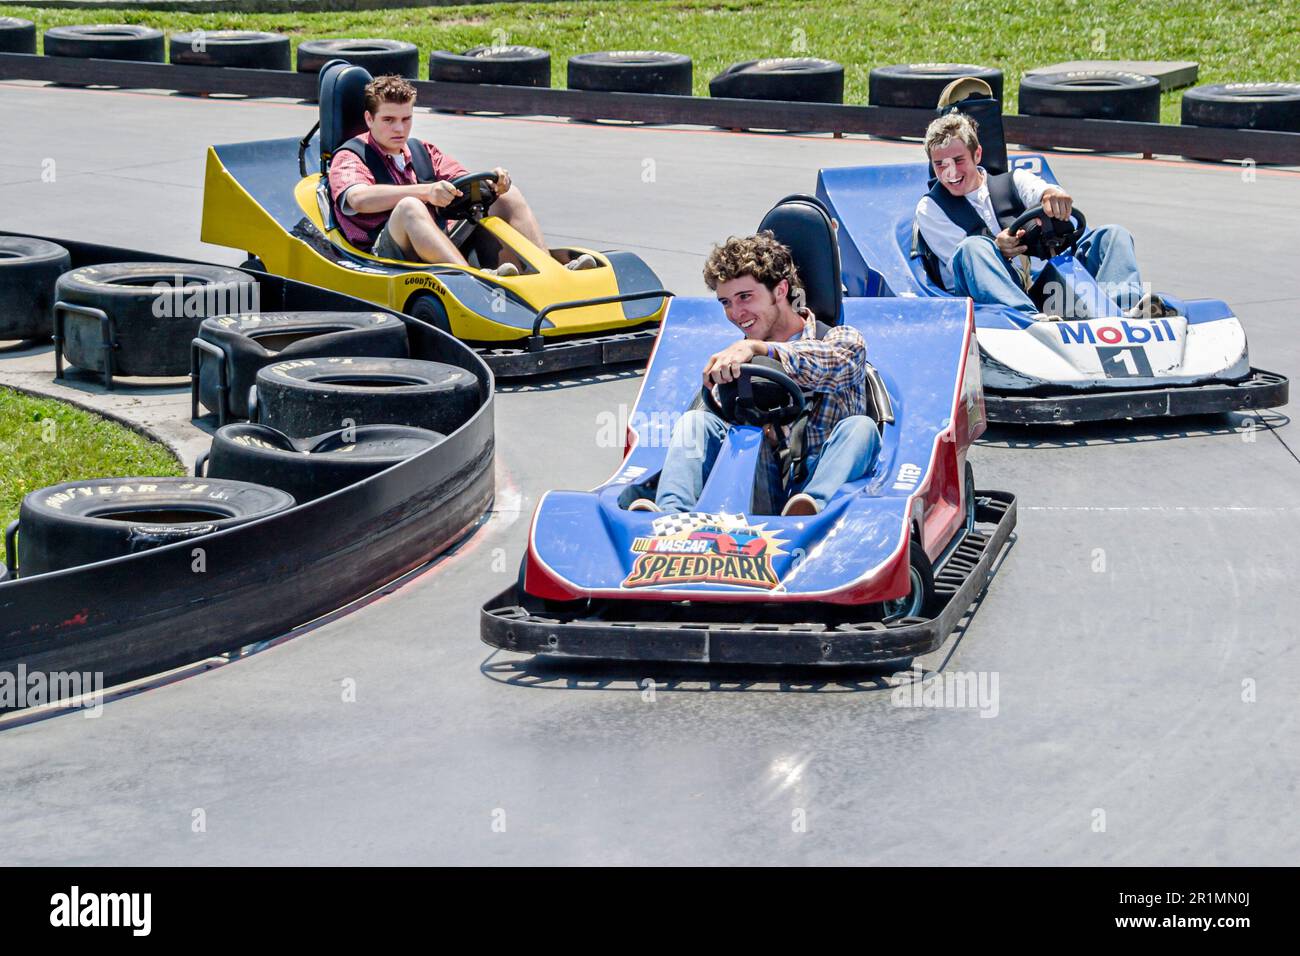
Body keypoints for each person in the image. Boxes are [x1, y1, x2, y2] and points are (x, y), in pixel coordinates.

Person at [630, 232, 880, 518]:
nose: (736, 313)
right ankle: (670, 517)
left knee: (861, 427)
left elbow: (841, 366)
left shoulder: (839, 338)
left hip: (819, 483)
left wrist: (765, 350)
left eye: (745, 297)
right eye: (726, 302)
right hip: (758, 486)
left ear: (781, 291)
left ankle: (808, 510)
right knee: (695, 422)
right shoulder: (736, 360)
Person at [326, 74, 596, 275]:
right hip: (381, 258)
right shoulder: (350, 156)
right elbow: (358, 198)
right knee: (410, 206)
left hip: (436, 241)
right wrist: (424, 192)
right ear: (369, 119)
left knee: (507, 196)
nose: (399, 129)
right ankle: (471, 280)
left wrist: (495, 182)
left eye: (406, 119)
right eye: (389, 120)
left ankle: (547, 271)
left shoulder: (423, 151)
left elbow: (464, 180)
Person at [914, 111, 1170, 320]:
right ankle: (1024, 321)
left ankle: (1123, 312)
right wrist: (998, 248)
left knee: (1113, 235)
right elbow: (964, 261)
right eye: (941, 165)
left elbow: (1043, 190)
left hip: (1036, 292)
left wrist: (1053, 197)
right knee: (973, 247)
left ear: (977, 154)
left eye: (958, 161)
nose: (951, 173)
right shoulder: (931, 209)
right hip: (980, 304)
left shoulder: (1012, 182)